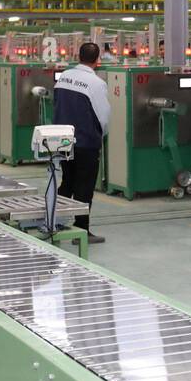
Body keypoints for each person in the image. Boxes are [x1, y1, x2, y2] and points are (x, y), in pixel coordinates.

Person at [51, 41, 110, 245]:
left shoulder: (63, 78)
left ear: (78, 57)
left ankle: (54, 223)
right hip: (86, 142)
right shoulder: (96, 84)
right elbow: (103, 116)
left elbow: (56, 105)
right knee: (84, 187)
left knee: (67, 182)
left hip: (63, 141)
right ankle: (81, 230)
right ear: (97, 60)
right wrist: (101, 135)